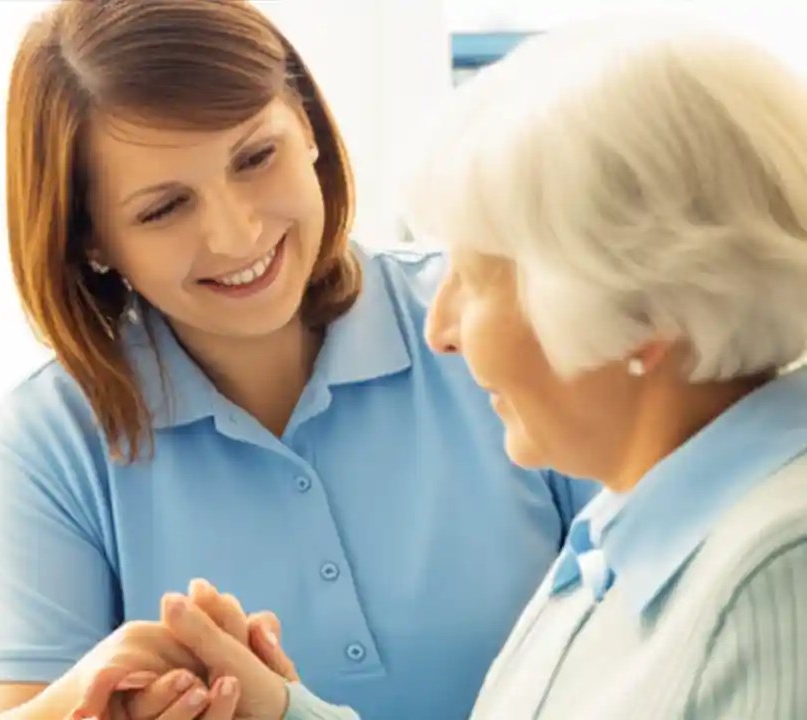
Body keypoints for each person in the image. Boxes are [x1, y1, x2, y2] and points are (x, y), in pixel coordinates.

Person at [76, 15, 807, 720]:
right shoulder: (627, 536)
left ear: (646, 308)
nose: (440, 327)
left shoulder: (772, 580)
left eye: (477, 275)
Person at [0, 1, 595, 718]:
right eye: (164, 208)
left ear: (307, 125)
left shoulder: (488, 314)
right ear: (93, 242)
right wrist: (94, 696)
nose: (237, 234)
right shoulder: (54, 435)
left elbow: (673, 627)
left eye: (255, 158)